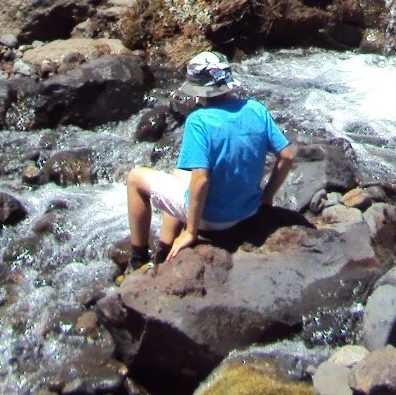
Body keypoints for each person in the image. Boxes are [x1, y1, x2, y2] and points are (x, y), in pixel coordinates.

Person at [124, 51, 294, 264]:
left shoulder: (199, 120)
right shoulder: (256, 109)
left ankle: (138, 257)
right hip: (249, 209)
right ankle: (165, 246)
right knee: (179, 173)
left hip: (213, 220)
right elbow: (286, 156)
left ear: (198, 90)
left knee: (135, 178)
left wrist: (192, 231)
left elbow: (201, 180)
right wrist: (267, 196)